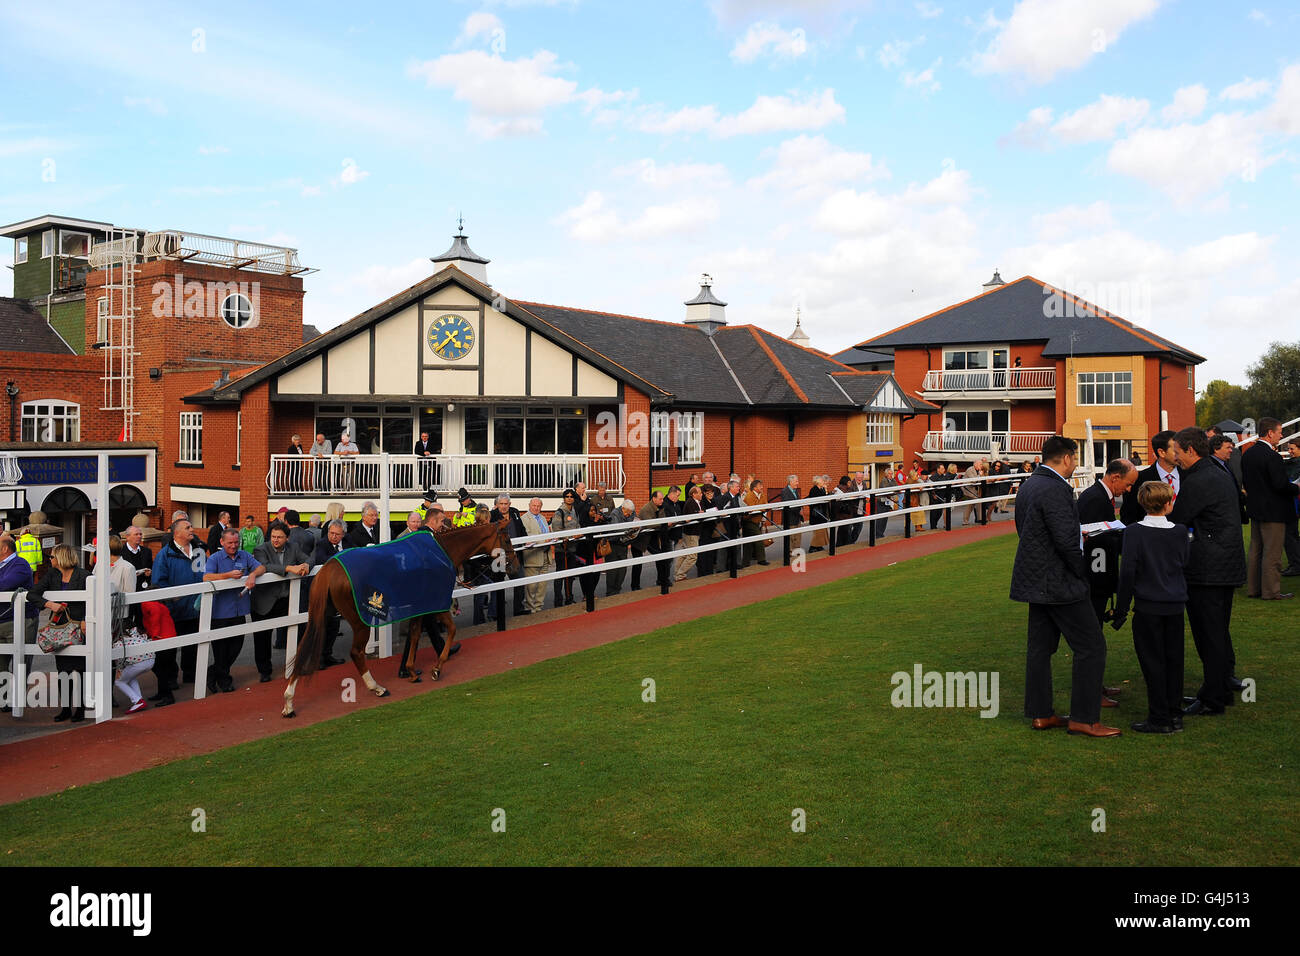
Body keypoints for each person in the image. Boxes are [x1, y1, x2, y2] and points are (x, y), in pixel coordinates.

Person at [1010, 436, 1117, 738]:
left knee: (1040, 649)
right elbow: (1066, 542)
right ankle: (1084, 718)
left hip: (1035, 579)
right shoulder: (1056, 488)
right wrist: (1082, 572)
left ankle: (1041, 714)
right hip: (1059, 583)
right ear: (1067, 458)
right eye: (1075, 457)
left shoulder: (1030, 484)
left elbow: (1030, 531)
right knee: (1091, 647)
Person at [1169, 426, 1247, 716]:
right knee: (1217, 631)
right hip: (1223, 563)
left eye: (1177, 452)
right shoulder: (1216, 471)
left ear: (1190, 450)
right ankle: (1219, 689)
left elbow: (1179, 517)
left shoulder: (1200, 478)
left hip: (1209, 568)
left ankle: (1214, 697)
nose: (1175, 457)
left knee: (1209, 633)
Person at [1112, 481, 1190, 733]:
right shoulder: (1179, 532)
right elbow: (1184, 562)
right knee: (1174, 661)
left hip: (1148, 607)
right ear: (1168, 504)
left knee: (1153, 662)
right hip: (1175, 605)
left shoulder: (1134, 532)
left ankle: (1159, 718)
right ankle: (1174, 714)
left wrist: (1121, 610)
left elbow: (1128, 573)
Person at [1077, 459, 1138, 704]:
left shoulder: (1099, 497)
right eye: (1128, 483)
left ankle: (1096, 687)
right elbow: (1091, 541)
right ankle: (1091, 692)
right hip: (1094, 580)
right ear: (1114, 477)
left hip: (1099, 576)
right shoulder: (1094, 499)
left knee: (1095, 636)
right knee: (1092, 638)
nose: (1129, 489)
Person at [150, 518, 207, 705]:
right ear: (177, 533)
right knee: (170, 649)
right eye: (188, 528)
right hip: (174, 610)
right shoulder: (165, 555)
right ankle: (171, 678)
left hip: (196, 607)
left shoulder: (199, 551)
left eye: (191, 526)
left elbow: (201, 575)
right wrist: (172, 600)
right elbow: (159, 581)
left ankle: (190, 674)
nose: (192, 530)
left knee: (193, 643)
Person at [1241, 417, 1299, 601]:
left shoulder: (1248, 454)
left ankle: (1254, 588)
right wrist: (1296, 487)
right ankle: (1271, 591)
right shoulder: (1272, 456)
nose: (1281, 435)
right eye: (1280, 432)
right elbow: (1280, 485)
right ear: (1270, 433)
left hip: (1256, 509)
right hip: (1274, 511)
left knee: (1256, 550)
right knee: (1272, 553)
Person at [31, 544, 91, 722]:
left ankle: (80, 709)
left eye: (52, 557)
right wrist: (49, 604)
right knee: (63, 670)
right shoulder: (52, 575)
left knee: (80, 669)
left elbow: (94, 598)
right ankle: (65, 708)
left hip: (80, 626)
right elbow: (32, 594)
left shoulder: (84, 575)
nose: (50, 560)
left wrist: (86, 619)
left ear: (61, 557)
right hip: (59, 628)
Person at [202, 528, 265, 693]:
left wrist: (252, 576)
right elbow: (206, 577)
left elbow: (261, 568)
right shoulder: (215, 558)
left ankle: (213, 672)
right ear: (222, 542)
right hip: (220, 612)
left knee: (236, 648)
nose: (233, 546)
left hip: (239, 610)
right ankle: (224, 681)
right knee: (221, 650)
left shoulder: (244, 555)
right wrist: (227, 575)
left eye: (236, 542)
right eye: (230, 543)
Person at [252, 522, 311, 683]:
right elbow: (265, 566)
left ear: (287, 538)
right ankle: (264, 671)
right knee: (262, 638)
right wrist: (290, 568)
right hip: (264, 601)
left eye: (279, 537)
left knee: (298, 630)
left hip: (286, 599)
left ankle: (296, 665)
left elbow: (309, 558)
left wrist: (306, 564)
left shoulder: (294, 547)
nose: (276, 540)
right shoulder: (261, 549)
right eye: (273, 537)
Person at [0, 533, 38, 713]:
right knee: (0, 662)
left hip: (21, 620)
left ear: (4, 548)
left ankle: (17, 698)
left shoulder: (20, 564)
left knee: (21, 661)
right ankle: (4, 698)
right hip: (2, 620)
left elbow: (5, 584)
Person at [311, 519, 350, 668]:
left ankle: (328, 654)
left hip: (341, 592)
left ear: (343, 534)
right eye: (331, 533)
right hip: (325, 590)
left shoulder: (347, 543)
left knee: (335, 625)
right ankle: (319, 657)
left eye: (337, 534)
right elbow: (322, 560)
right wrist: (343, 559)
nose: (333, 536)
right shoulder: (322, 544)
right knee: (324, 624)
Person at [1119, 430, 1179, 526]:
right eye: (1176, 450)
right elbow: (1128, 516)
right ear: (1162, 452)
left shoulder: (1190, 476)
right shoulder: (1139, 480)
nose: (1181, 452)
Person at [516, 497, 554, 612]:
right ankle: (530, 608)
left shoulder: (542, 518)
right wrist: (544, 541)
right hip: (532, 557)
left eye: (538, 506)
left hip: (545, 555)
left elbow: (547, 532)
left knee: (542, 585)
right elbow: (527, 538)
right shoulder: (524, 519)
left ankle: (538, 607)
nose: (536, 508)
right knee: (531, 586)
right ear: (529, 505)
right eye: (534, 505)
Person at [552, 489, 582, 606]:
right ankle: (558, 600)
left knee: (570, 576)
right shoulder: (560, 512)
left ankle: (569, 598)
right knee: (560, 575)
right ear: (564, 498)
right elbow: (557, 530)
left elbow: (578, 525)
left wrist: (579, 533)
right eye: (567, 496)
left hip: (573, 548)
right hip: (562, 549)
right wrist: (570, 536)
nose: (569, 498)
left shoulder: (575, 511)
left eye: (571, 496)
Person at [676, 485, 705, 581]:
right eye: (700, 493)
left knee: (684, 553)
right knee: (692, 556)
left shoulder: (697, 502)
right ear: (694, 494)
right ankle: (680, 575)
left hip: (691, 532)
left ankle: (677, 573)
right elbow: (691, 515)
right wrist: (699, 514)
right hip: (691, 533)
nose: (701, 494)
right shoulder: (690, 502)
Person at [740, 480, 769, 567]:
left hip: (757, 521)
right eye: (760, 486)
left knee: (748, 543)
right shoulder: (749, 496)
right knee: (759, 538)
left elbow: (766, 505)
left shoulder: (762, 495)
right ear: (755, 487)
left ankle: (745, 562)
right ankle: (761, 559)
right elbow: (752, 509)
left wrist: (763, 509)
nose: (762, 487)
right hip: (749, 521)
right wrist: (763, 508)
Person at [808, 475, 829, 552]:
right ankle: (813, 546)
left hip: (822, 514)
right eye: (822, 480)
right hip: (816, 515)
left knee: (822, 531)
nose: (823, 482)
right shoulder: (814, 490)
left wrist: (826, 490)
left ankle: (819, 545)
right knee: (818, 532)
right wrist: (826, 491)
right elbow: (821, 498)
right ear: (817, 482)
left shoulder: (822, 489)